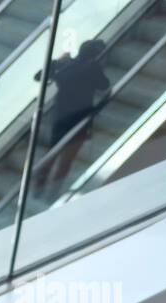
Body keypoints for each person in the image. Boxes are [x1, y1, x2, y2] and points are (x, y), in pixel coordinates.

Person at [33, 39, 111, 195]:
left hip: (61, 115)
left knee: (52, 152)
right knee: (66, 159)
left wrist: (56, 63)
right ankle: (52, 194)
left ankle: (38, 186)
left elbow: (38, 76)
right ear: (96, 56)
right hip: (80, 118)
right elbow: (104, 85)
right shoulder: (92, 69)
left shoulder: (65, 64)